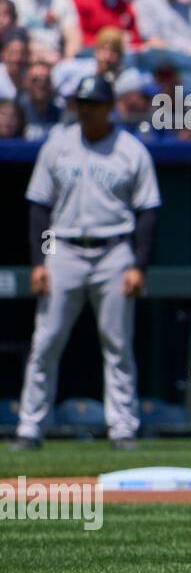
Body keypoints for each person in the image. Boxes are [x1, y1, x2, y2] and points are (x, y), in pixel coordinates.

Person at [11, 75, 160, 451]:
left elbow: (147, 211)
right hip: (63, 248)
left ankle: (123, 428)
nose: (87, 110)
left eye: (94, 104)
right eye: (82, 103)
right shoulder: (57, 145)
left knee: (118, 344)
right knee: (45, 341)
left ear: (109, 107)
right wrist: (39, 261)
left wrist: (138, 265)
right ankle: (30, 427)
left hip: (114, 250)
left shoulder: (131, 149)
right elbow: (39, 207)